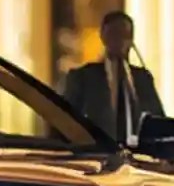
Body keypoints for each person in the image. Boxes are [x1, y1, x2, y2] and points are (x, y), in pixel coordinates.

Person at [60, 10, 165, 147]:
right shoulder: (83, 78)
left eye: (125, 35)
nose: (120, 40)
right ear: (103, 36)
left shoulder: (143, 78)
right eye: (114, 34)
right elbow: (64, 123)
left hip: (138, 159)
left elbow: (160, 122)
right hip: (97, 156)